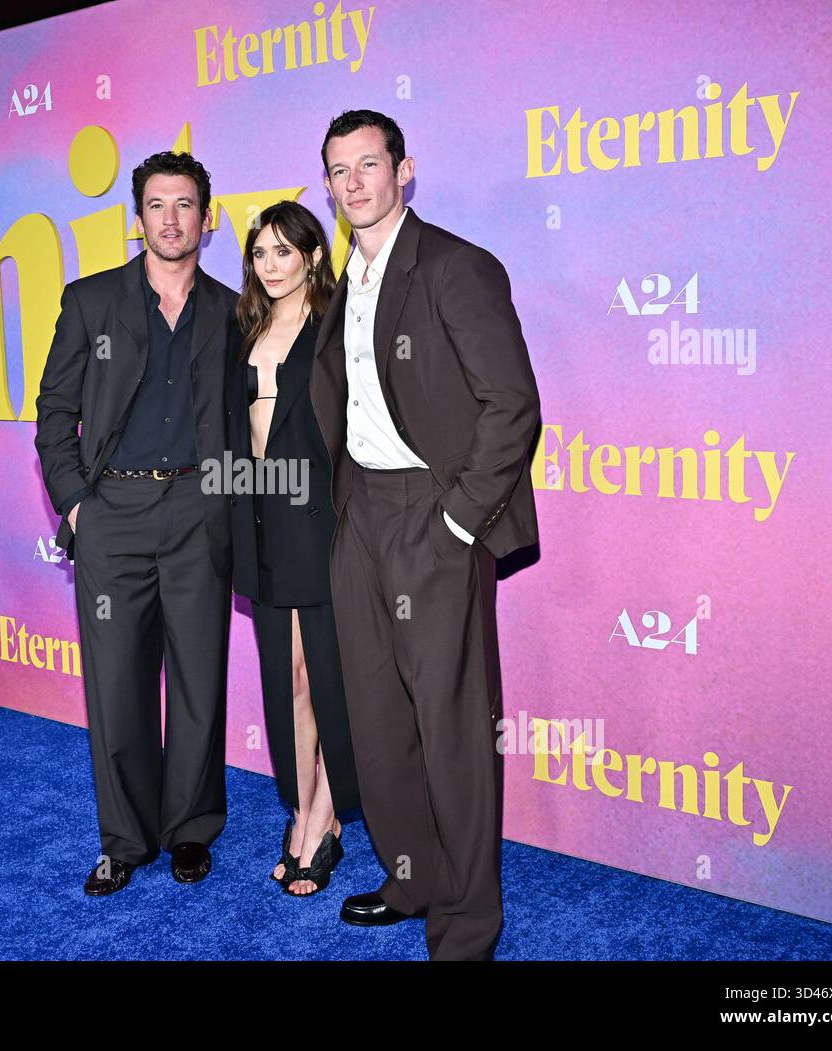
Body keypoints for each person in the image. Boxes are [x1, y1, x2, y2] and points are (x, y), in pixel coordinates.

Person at [307, 110, 542, 960]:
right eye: (339, 169)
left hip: (429, 515)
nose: (355, 181)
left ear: (405, 171)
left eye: (370, 164)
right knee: (376, 715)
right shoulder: (346, 282)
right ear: (327, 185)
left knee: (450, 725)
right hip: (360, 514)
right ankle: (411, 877)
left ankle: (469, 922)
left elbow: (512, 403)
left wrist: (456, 518)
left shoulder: (455, 266)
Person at [34, 151, 237, 896]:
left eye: (186, 204)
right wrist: (77, 504)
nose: (172, 218)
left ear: (206, 217)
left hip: (197, 511)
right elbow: (55, 411)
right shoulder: (91, 302)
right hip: (111, 513)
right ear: (138, 215)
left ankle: (190, 829)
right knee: (116, 682)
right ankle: (125, 839)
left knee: (197, 681)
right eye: (157, 204)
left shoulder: (229, 310)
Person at [224, 201, 362, 897]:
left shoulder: (338, 324)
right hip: (262, 521)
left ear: (313, 253)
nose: (271, 265)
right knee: (290, 679)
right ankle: (309, 808)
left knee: (327, 677)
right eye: (260, 253)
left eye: (285, 251)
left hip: (319, 521)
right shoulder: (246, 324)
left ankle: (320, 816)